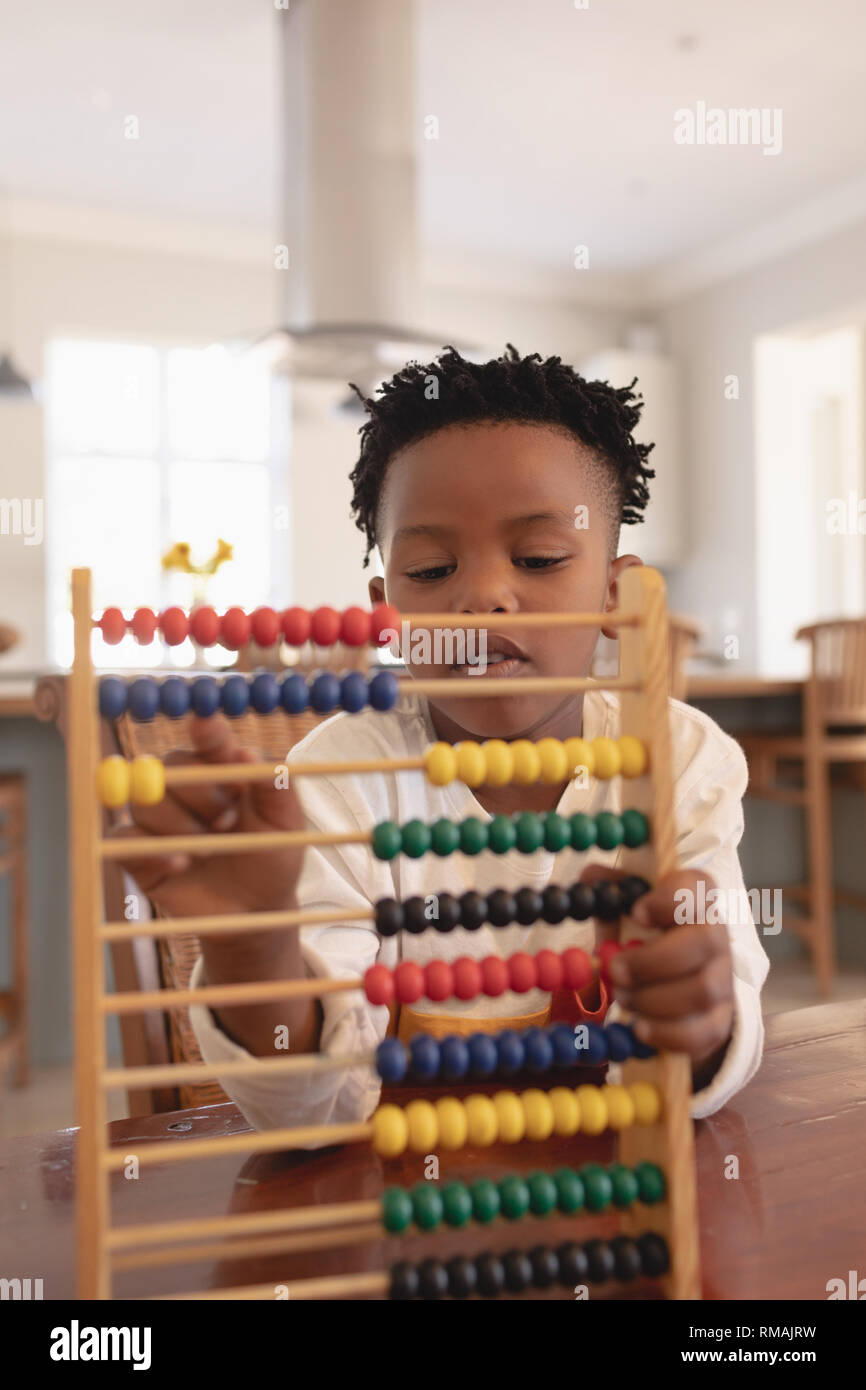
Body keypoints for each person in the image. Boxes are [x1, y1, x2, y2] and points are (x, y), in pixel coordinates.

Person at [113, 345, 769, 1133]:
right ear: (386, 610)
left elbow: (719, 1028)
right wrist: (257, 952)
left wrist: (699, 1025)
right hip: (394, 1213)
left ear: (613, 593)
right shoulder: (334, 780)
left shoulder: (677, 760)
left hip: (612, 1205)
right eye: (430, 571)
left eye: (538, 558)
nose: (483, 597)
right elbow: (309, 1113)